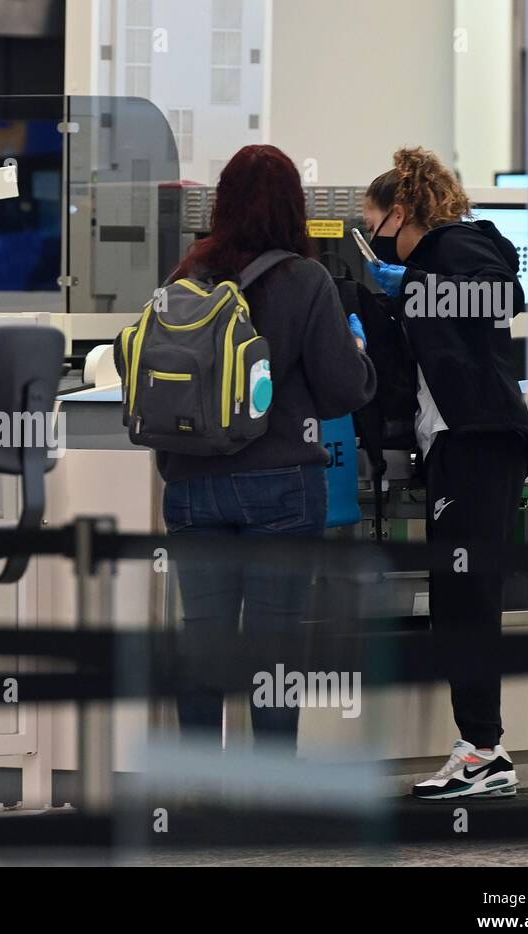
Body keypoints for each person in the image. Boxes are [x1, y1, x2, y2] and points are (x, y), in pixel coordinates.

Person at [159, 145, 376, 749]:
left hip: (192, 481)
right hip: (280, 482)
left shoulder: (187, 273)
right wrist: (360, 358)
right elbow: (340, 391)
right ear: (294, 207)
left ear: (223, 201)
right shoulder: (305, 279)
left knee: (203, 636)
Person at [362, 147, 528, 799]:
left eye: (375, 225)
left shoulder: (457, 247)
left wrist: (411, 288)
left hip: (481, 440)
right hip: (459, 443)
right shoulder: (432, 264)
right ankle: (480, 747)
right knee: (458, 601)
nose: (374, 242)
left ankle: (486, 752)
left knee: (468, 600)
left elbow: (503, 293)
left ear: (401, 214)